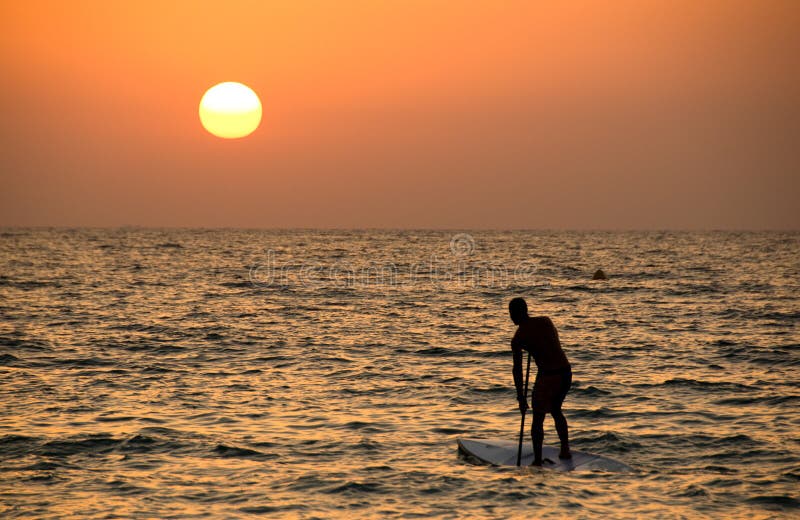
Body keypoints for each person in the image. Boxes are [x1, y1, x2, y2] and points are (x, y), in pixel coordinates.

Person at [509, 297, 572, 466]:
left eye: (512, 313)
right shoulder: (545, 321)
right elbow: (549, 344)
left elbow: (518, 370)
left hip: (549, 375)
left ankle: (537, 461)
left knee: (538, 417)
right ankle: (565, 450)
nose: (511, 317)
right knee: (556, 409)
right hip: (566, 372)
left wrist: (521, 397)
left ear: (516, 314)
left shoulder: (519, 338)